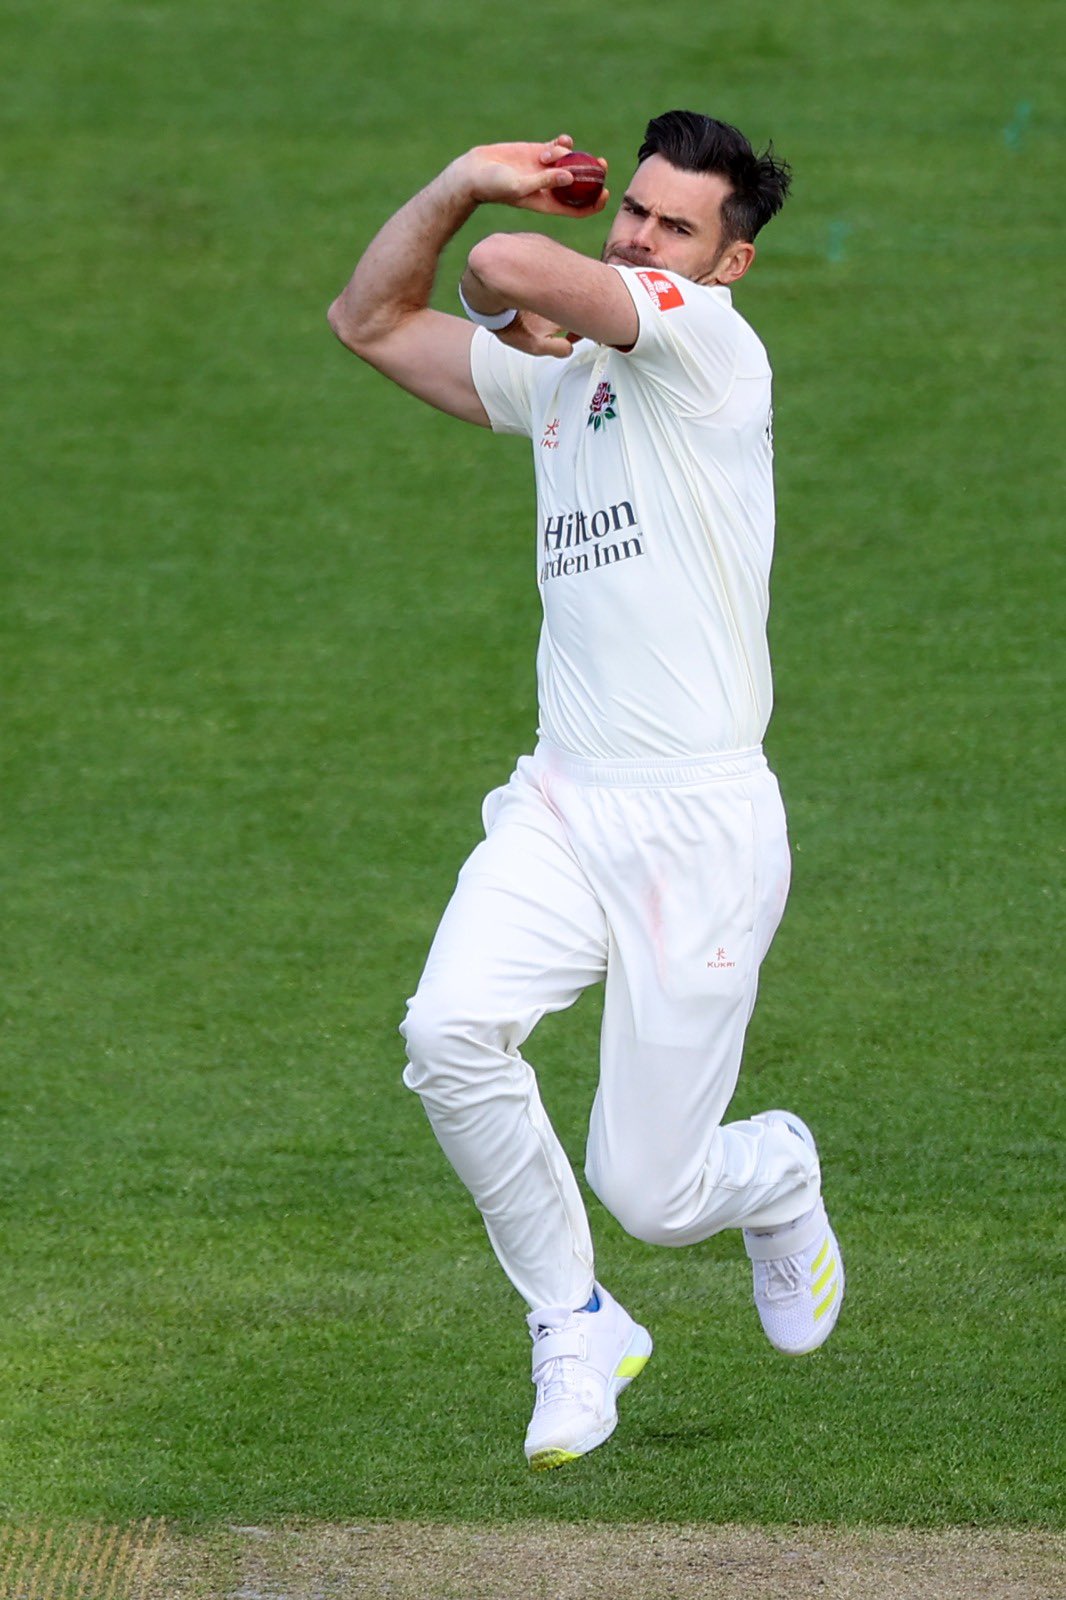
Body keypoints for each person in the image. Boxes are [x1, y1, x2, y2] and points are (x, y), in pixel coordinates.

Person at [328, 110, 845, 1471]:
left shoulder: (705, 345)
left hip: (700, 825)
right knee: (446, 1033)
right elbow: (369, 321)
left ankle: (773, 1172)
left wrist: (498, 247)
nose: (636, 237)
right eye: (634, 212)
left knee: (655, 1189)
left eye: (672, 227)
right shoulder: (563, 380)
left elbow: (512, 263)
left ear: (721, 265)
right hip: (563, 799)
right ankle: (574, 1318)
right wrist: (450, 182)